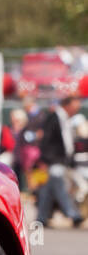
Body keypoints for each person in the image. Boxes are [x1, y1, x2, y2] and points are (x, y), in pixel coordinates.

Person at [35, 95, 84, 228]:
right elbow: (46, 141)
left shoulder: (66, 119)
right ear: (67, 106)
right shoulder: (53, 118)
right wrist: (46, 160)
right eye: (75, 107)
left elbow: (67, 140)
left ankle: (41, 217)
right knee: (60, 186)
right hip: (54, 160)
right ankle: (73, 214)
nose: (76, 110)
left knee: (48, 190)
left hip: (62, 160)